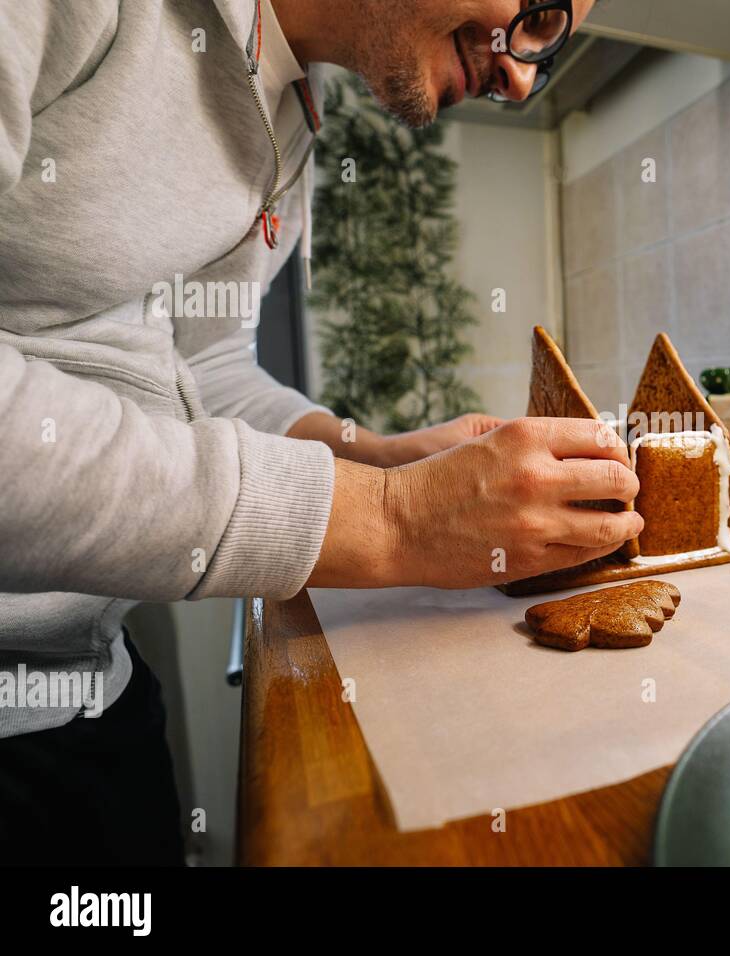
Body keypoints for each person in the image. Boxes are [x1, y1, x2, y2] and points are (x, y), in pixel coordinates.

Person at [0, 0, 623, 864]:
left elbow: (202, 369)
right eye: (542, 13)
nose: (520, 76)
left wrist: (376, 454)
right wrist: (393, 519)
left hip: (93, 689)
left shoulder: (291, 121)